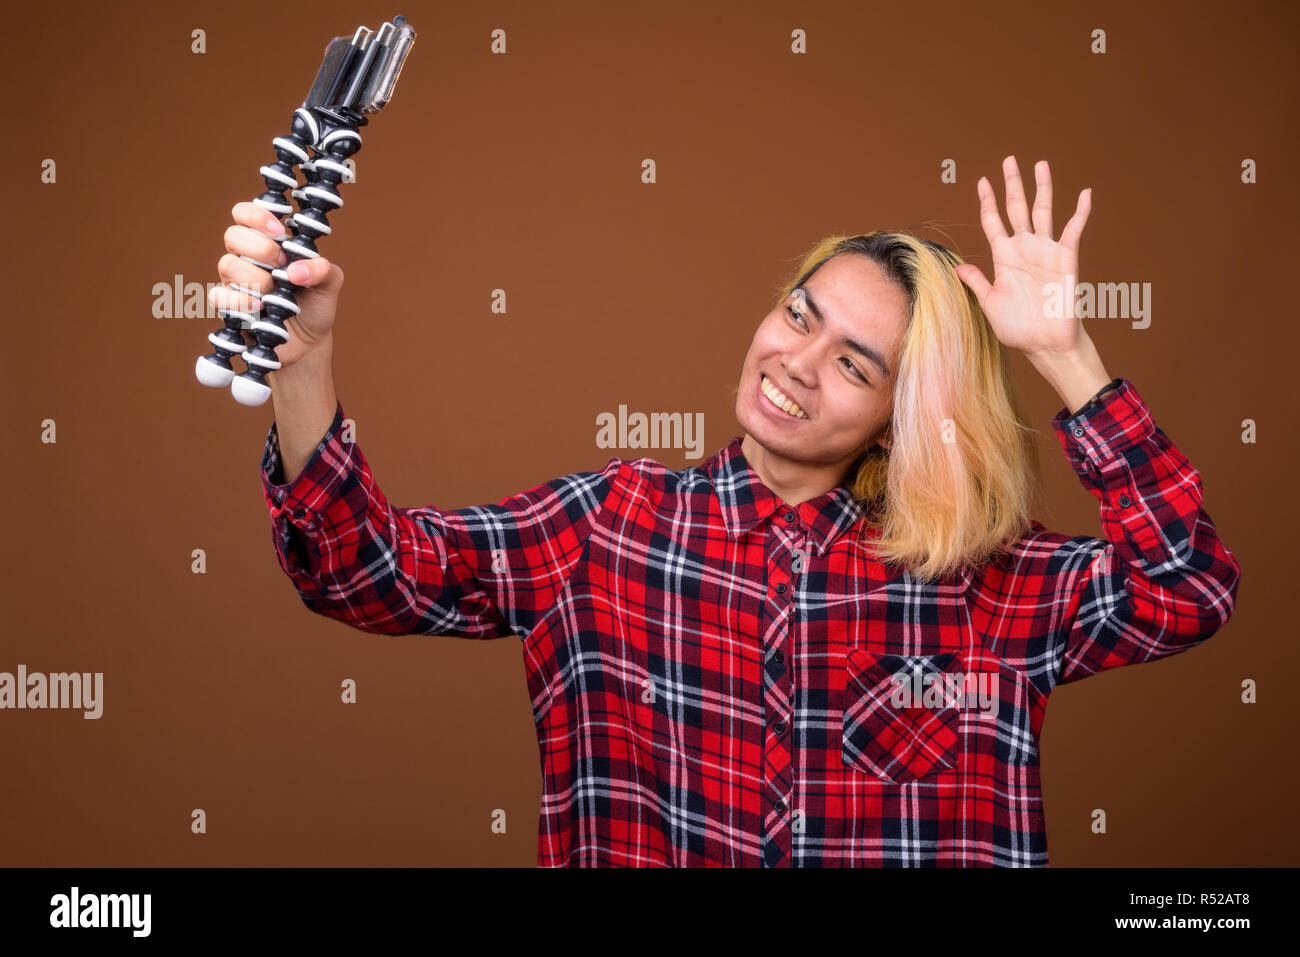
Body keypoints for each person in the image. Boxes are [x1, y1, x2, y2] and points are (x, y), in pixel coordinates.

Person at [210, 156, 1240, 866]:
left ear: (897, 419)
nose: (794, 362)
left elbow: (1186, 588)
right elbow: (362, 573)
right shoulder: (607, 527)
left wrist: (1062, 355)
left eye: (852, 363)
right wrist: (302, 369)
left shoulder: (980, 583)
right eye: (800, 313)